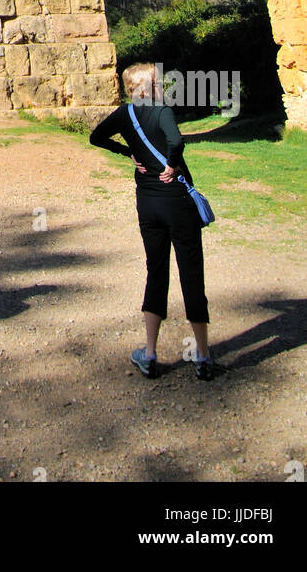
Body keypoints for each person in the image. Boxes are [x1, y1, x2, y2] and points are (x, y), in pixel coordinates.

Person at [89, 62, 218, 380]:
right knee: (191, 274)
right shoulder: (161, 111)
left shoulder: (124, 115)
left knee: (156, 272)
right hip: (176, 201)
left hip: (147, 203)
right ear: (147, 88)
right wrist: (173, 166)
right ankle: (201, 356)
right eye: (158, 83)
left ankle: (149, 354)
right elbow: (176, 142)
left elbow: (95, 137)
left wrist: (125, 153)